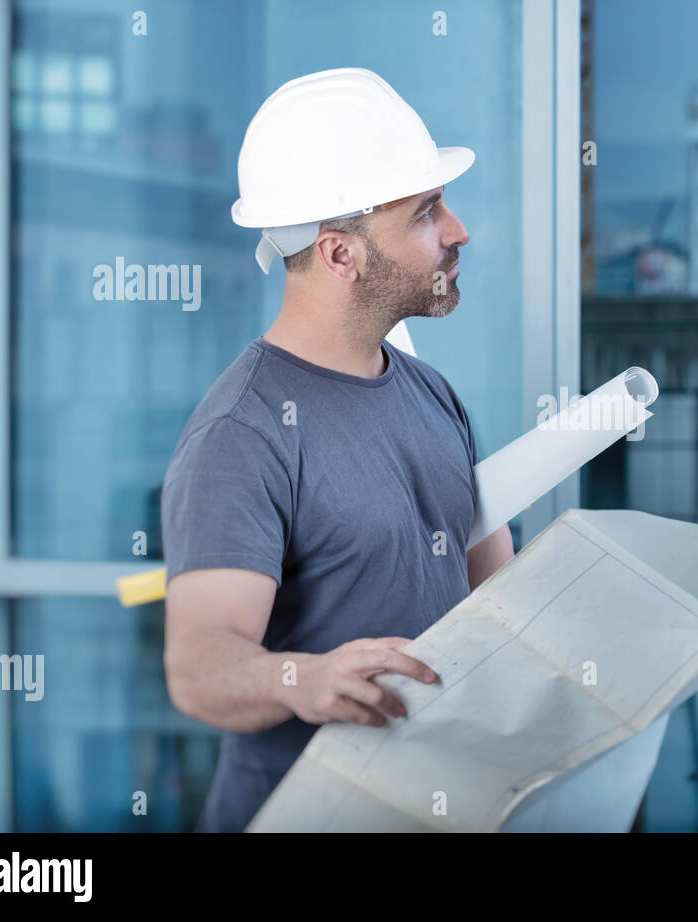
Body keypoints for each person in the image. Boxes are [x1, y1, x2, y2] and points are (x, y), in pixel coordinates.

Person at [160, 68, 514, 832]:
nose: (457, 232)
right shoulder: (242, 434)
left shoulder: (435, 396)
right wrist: (306, 676)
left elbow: (503, 604)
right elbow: (198, 668)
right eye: (426, 213)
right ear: (339, 254)